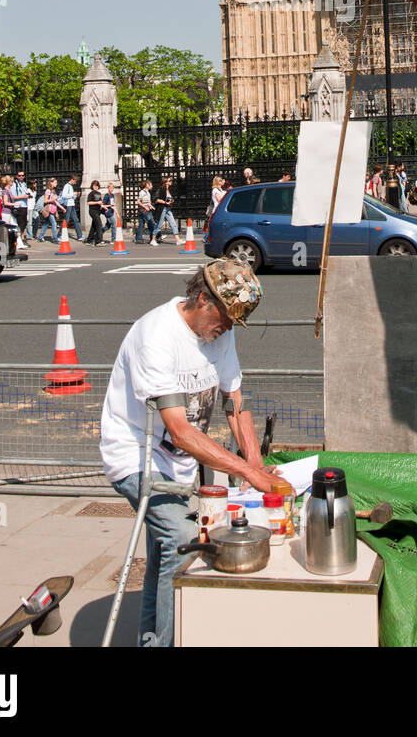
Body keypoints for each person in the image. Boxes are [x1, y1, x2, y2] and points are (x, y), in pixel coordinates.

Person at [100, 261, 286, 648]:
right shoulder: (156, 336)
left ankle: (150, 640)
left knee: (162, 559)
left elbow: (234, 399)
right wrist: (249, 475)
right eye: (226, 317)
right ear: (203, 299)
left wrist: (255, 461)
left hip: (178, 465)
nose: (229, 328)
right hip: (136, 455)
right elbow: (182, 433)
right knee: (183, 538)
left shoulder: (220, 332)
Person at [153, 178, 182, 247]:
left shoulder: (169, 190)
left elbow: (168, 198)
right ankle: (153, 239)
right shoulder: (161, 189)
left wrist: (171, 201)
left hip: (168, 208)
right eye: (169, 181)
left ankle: (178, 240)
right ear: (166, 182)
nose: (171, 182)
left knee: (173, 223)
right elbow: (156, 200)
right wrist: (166, 202)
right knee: (159, 225)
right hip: (162, 208)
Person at [9, 169, 33, 244]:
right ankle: (20, 239)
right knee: (19, 224)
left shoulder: (24, 184)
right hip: (18, 206)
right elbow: (13, 196)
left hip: (25, 205)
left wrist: (28, 196)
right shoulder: (14, 185)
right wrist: (23, 196)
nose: (21, 177)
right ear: (17, 176)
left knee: (24, 223)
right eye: (19, 176)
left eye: (23, 175)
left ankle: (22, 237)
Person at [36, 177, 61, 242]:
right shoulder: (48, 191)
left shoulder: (53, 191)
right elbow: (45, 201)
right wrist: (53, 199)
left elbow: (55, 203)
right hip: (49, 209)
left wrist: (57, 212)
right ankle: (55, 238)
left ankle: (40, 237)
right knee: (54, 223)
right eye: (55, 182)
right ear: (51, 183)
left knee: (46, 223)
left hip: (53, 209)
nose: (56, 184)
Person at [58, 176, 84, 240]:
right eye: (75, 181)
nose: (75, 183)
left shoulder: (70, 186)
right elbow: (64, 195)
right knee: (66, 220)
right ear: (72, 180)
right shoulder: (67, 186)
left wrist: (75, 195)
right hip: (68, 205)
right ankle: (60, 234)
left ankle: (79, 235)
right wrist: (73, 194)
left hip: (71, 204)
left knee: (76, 220)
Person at [86, 181, 104, 245]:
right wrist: (97, 203)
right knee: (99, 224)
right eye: (94, 186)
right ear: (92, 186)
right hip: (93, 211)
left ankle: (89, 240)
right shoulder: (91, 193)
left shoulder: (99, 193)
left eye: (96, 186)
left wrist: (103, 206)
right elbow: (88, 202)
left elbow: (101, 202)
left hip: (98, 211)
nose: (95, 187)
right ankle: (98, 241)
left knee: (94, 226)